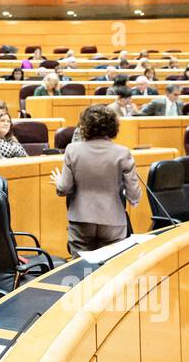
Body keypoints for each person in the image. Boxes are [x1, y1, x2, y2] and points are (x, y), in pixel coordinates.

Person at [51, 105, 142, 256]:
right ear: (113, 127)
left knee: (81, 269)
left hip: (81, 218)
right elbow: (134, 195)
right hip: (113, 219)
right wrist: (133, 199)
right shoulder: (123, 153)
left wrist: (58, 181)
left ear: (84, 126)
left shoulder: (72, 150)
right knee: (109, 269)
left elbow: (64, 189)